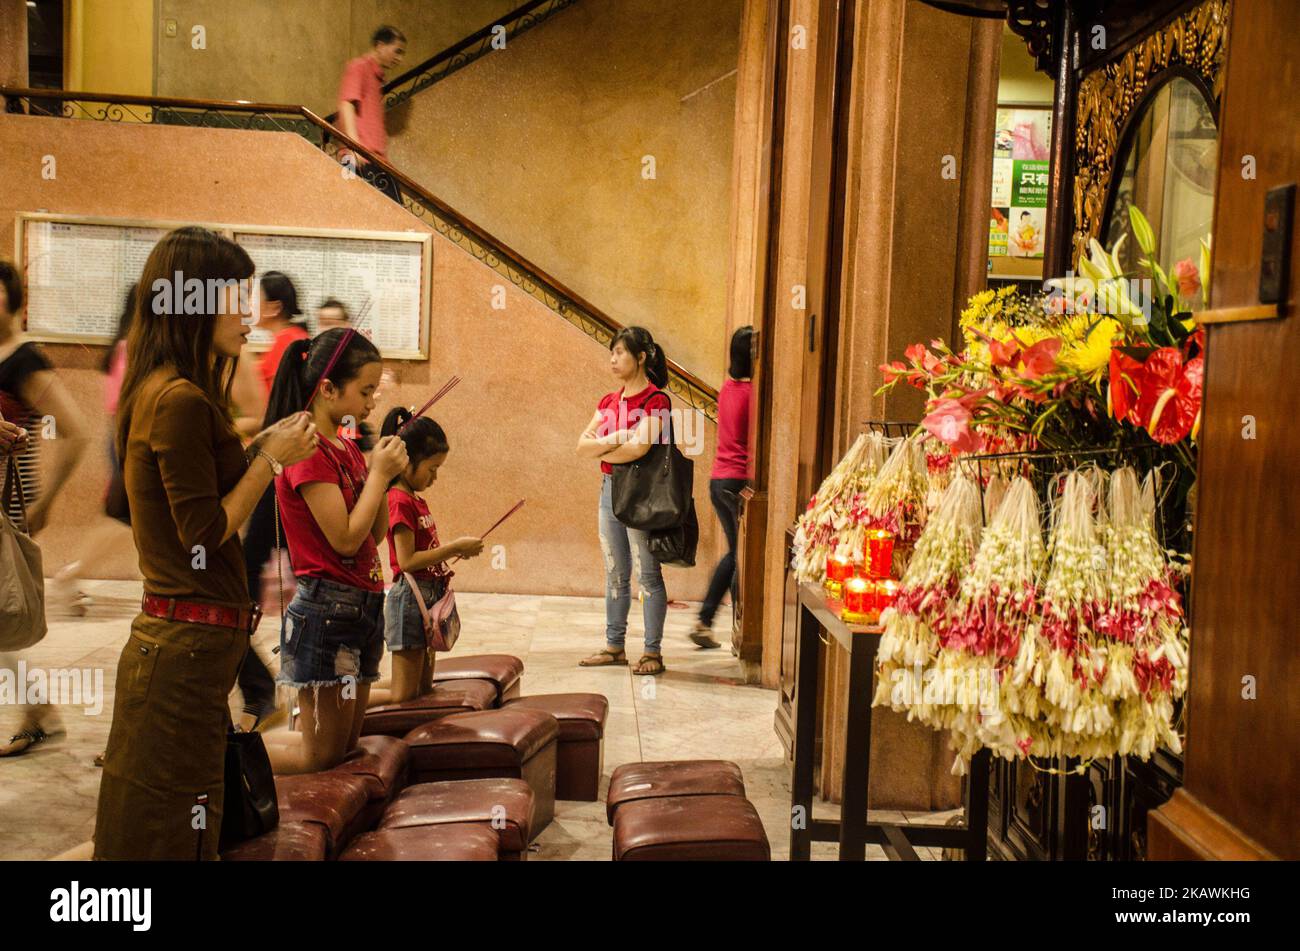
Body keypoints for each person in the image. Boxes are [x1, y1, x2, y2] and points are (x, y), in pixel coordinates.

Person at [92, 227, 317, 859]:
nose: (249, 318)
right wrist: (269, 460)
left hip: (189, 652)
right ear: (192, 300)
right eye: (234, 297)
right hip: (182, 653)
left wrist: (262, 449)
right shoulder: (178, 399)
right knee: (164, 834)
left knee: (182, 825)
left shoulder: (171, 388)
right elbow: (206, 530)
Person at [259, 329, 408, 774]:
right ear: (327, 389)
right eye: (365, 391)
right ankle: (217, 763)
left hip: (362, 604)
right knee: (317, 753)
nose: (372, 402)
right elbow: (342, 540)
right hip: (325, 609)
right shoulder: (306, 451)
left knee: (343, 748)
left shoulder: (345, 447)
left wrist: (383, 475)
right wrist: (378, 475)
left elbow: (374, 533)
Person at [0, 259, 88, 756]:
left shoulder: (24, 361)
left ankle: (37, 711)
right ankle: (38, 711)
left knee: (6, 612)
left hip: (6, 507)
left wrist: (47, 501)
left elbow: (74, 430)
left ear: (14, 299)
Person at [576, 326, 673, 676]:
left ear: (641, 357)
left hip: (642, 493)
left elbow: (640, 448)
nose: (613, 359)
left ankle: (652, 652)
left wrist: (604, 446)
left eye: (620, 352)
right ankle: (614, 646)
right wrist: (618, 437)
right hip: (609, 490)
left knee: (648, 573)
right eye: (611, 352)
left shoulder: (656, 401)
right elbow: (581, 446)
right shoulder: (608, 401)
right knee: (615, 571)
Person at [370, 407, 482, 706]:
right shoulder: (397, 500)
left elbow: (426, 553)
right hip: (410, 601)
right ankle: (335, 704)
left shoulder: (416, 500)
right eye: (431, 469)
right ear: (407, 462)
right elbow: (406, 561)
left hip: (428, 600)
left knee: (420, 689)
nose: (434, 478)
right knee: (403, 693)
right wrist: (455, 547)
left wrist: (453, 554)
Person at [236, 271, 308, 730]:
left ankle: (266, 691)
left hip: (274, 477)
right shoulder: (286, 342)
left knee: (236, 595)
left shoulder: (287, 344)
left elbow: (269, 418)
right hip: (273, 475)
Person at [50, 286, 139, 617]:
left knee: (129, 520)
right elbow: (125, 405)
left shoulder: (125, 345)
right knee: (121, 519)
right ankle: (69, 574)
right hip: (127, 440)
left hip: (123, 439)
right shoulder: (132, 348)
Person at [689, 326, 754, 648]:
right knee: (740, 555)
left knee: (737, 553)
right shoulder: (753, 395)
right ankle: (716, 623)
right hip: (738, 481)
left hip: (718, 479)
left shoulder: (727, 389)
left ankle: (708, 622)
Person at [338, 25, 407, 202]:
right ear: (380, 46)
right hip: (360, 157)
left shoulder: (377, 78)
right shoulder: (359, 67)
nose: (399, 58)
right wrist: (354, 147)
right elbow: (346, 104)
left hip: (376, 160)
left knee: (394, 213)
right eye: (397, 51)